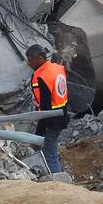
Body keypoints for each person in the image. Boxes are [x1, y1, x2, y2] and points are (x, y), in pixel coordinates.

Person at [25, 45, 70, 174]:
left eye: (30, 60)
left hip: (52, 121)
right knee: (51, 150)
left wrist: (38, 132)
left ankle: (59, 184)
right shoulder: (57, 68)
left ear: (40, 58)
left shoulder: (42, 76)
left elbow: (45, 109)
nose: (28, 63)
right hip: (62, 115)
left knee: (50, 154)